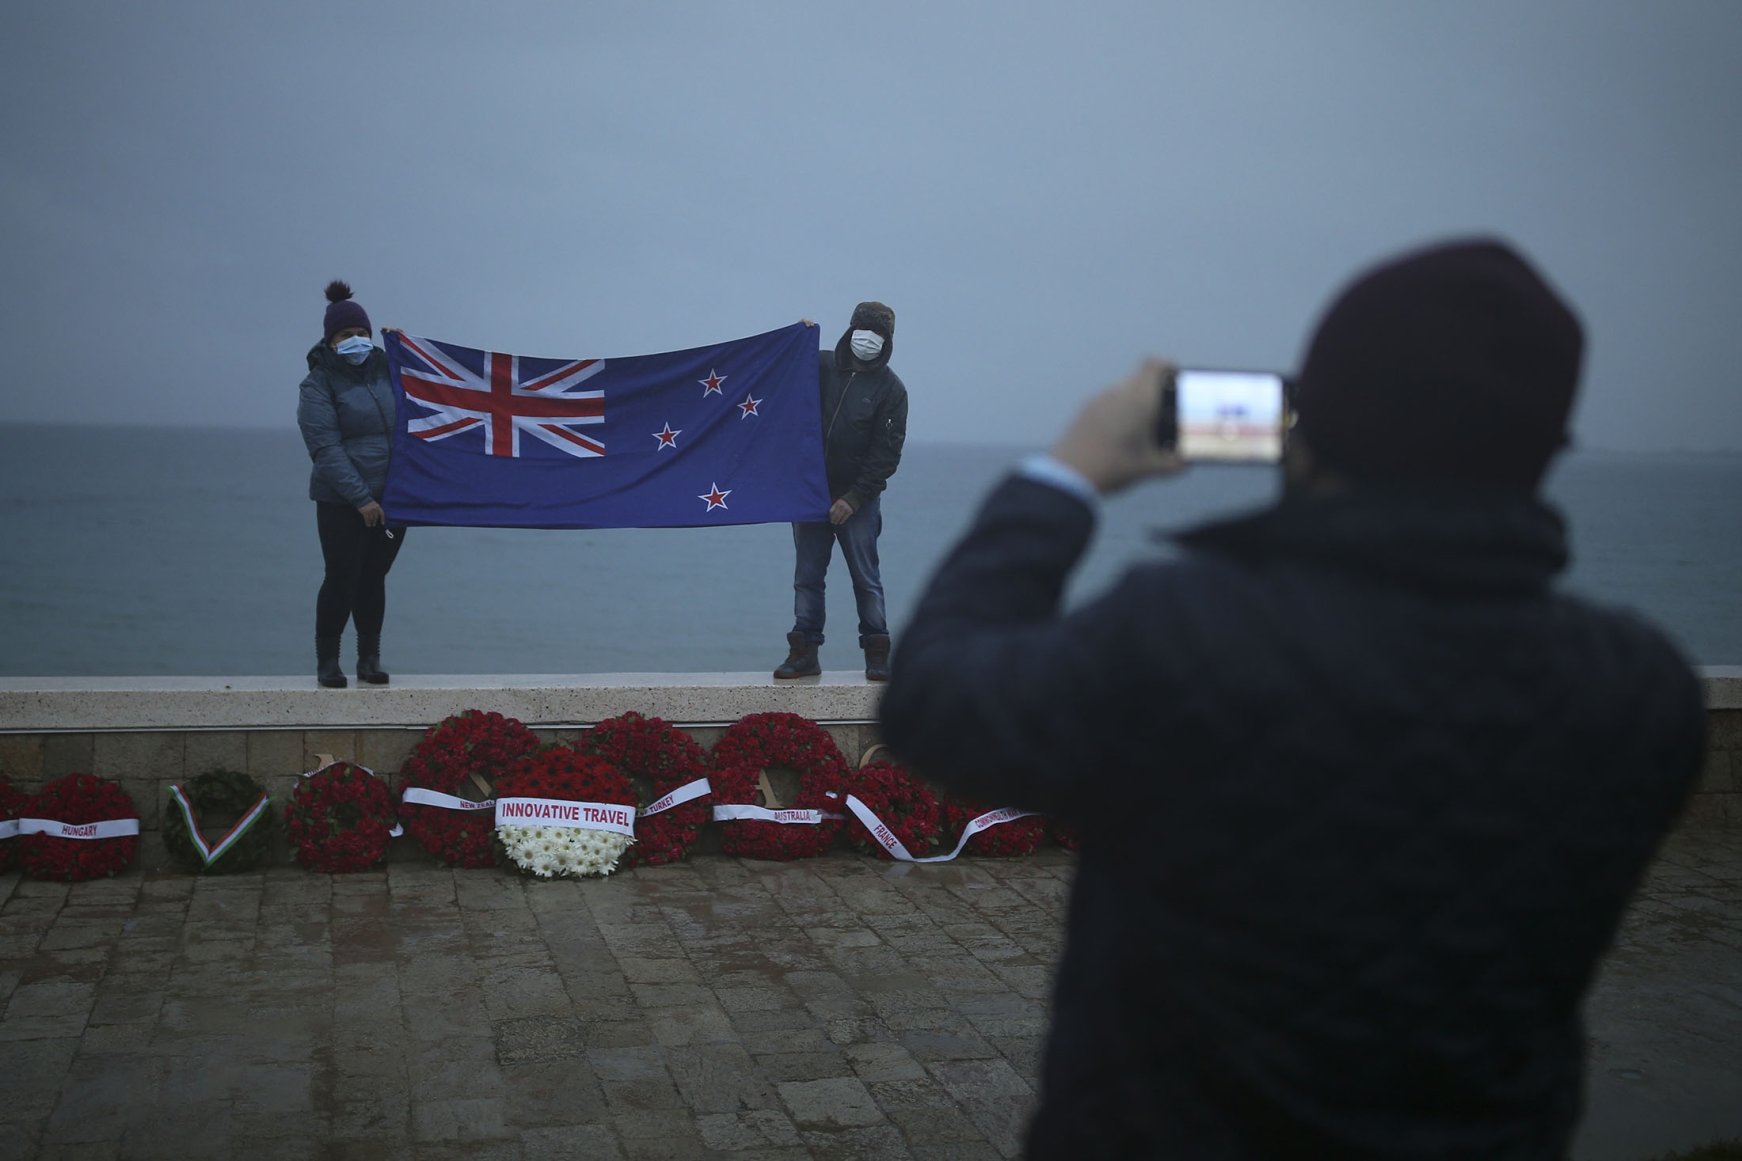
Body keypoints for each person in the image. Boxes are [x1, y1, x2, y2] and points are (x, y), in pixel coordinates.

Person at [878, 240, 1706, 1158]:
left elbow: (935, 702)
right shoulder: (1642, 692)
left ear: (1308, 427)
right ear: (1542, 448)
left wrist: (1069, 472)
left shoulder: (1188, 632)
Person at [774, 302, 908, 681]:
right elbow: (782, 369)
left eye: (877, 334)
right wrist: (796, 336)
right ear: (850, 330)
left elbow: (886, 454)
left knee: (866, 578)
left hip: (858, 501)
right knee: (807, 577)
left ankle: (877, 654)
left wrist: (854, 498)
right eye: (864, 330)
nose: (869, 339)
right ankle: (804, 652)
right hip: (810, 494)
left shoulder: (892, 390)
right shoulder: (819, 364)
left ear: (888, 340)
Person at [296, 280, 404, 688]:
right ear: (331, 340)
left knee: (374, 577)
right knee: (342, 576)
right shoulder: (318, 384)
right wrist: (361, 498)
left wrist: (404, 348)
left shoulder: (390, 370)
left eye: (362, 333)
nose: (355, 340)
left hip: (392, 501)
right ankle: (328, 661)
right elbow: (324, 447)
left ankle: (369, 659)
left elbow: (428, 394)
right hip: (341, 502)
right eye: (346, 335)